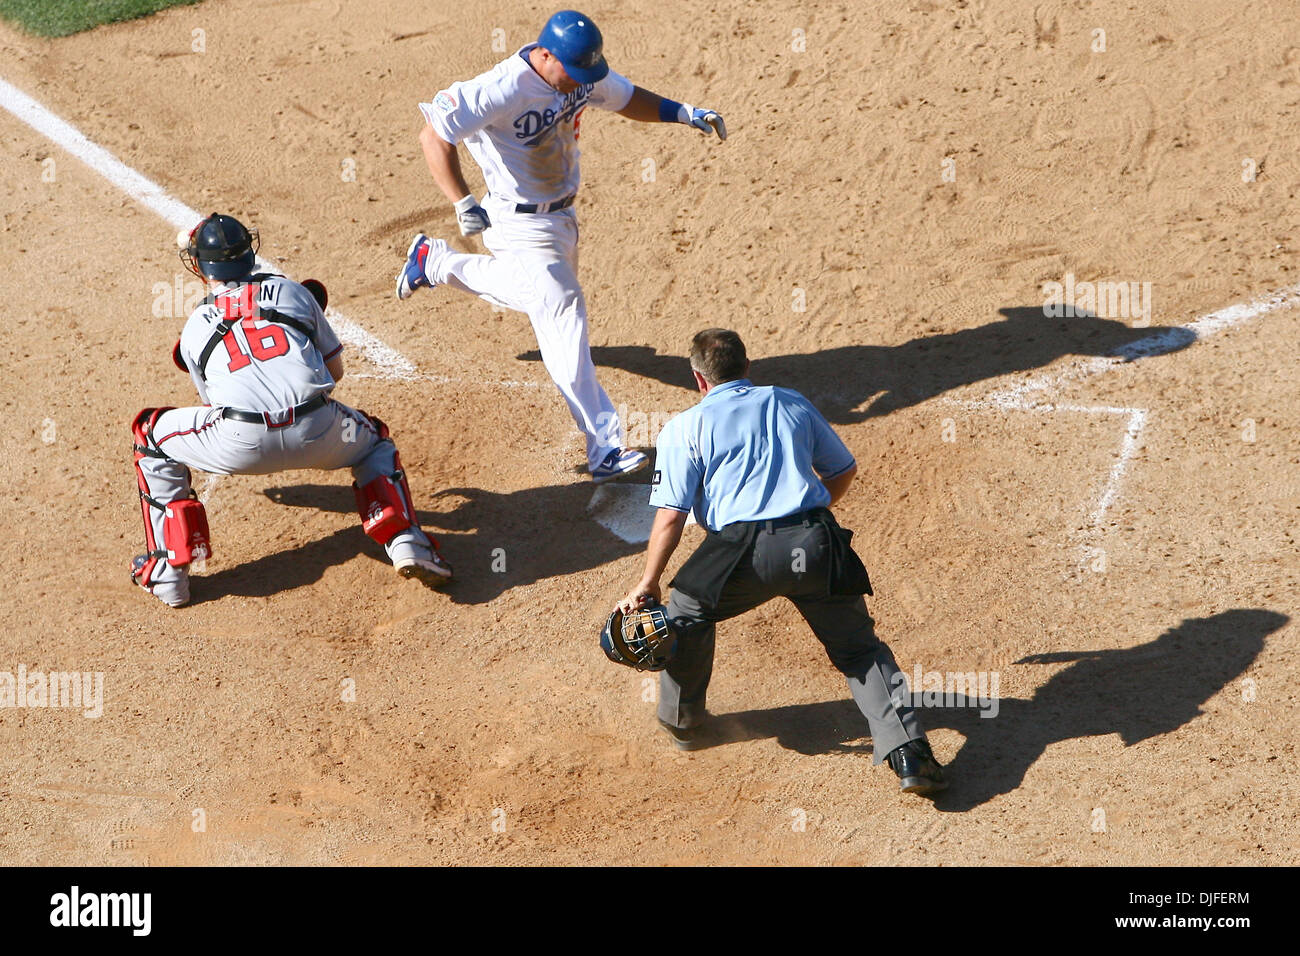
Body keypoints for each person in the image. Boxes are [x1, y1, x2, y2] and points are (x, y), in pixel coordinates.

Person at [395, 9, 726, 484]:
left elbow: (626, 97)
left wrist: (684, 113)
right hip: (519, 224)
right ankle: (605, 446)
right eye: (575, 73)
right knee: (564, 315)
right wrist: (462, 202)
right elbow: (434, 135)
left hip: (562, 219)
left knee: (539, 299)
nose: (582, 83)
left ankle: (436, 262)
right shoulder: (500, 88)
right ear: (545, 54)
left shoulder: (579, 72)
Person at [614, 329, 948, 795]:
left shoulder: (683, 428)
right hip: (814, 542)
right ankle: (911, 756)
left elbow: (671, 516)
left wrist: (647, 582)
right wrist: (811, 521)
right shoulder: (789, 401)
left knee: (684, 613)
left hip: (738, 554)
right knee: (859, 649)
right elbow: (843, 469)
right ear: (747, 367)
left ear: (698, 379)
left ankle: (684, 724)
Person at [131, 213, 452, 608]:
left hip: (240, 442)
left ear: (199, 266)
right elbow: (335, 372)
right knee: (374, 443)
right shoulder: (293, 292)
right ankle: (406, 544)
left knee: (150, 435)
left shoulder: (197, 324)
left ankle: (168, 576)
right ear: (250, 253)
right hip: (320, 429)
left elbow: (212, 405)